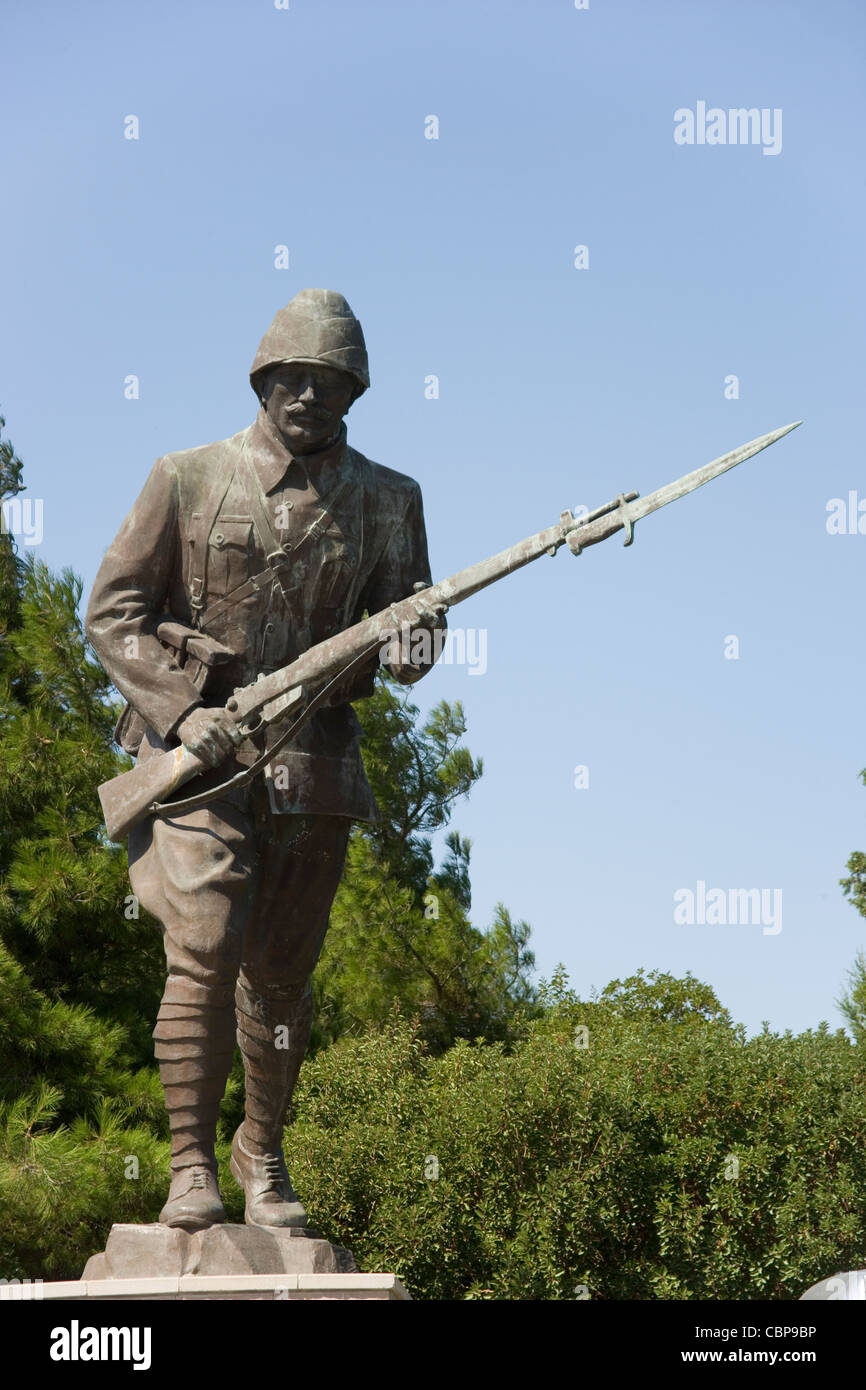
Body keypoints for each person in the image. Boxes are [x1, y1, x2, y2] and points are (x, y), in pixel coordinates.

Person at [85, 289, 445, 1229]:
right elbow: (112, 612)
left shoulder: (390, 500)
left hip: (316, 767)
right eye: (294, 378)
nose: (310, 397)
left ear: (355, 395)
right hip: (199, 764)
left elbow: (408, 631)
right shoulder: (186, 477)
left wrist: (413, 642)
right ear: (262, 378)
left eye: (332, 384)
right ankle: (189, 1166)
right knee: (201, 951)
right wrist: (180, 708)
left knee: (282, 974)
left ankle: (263, 1156)